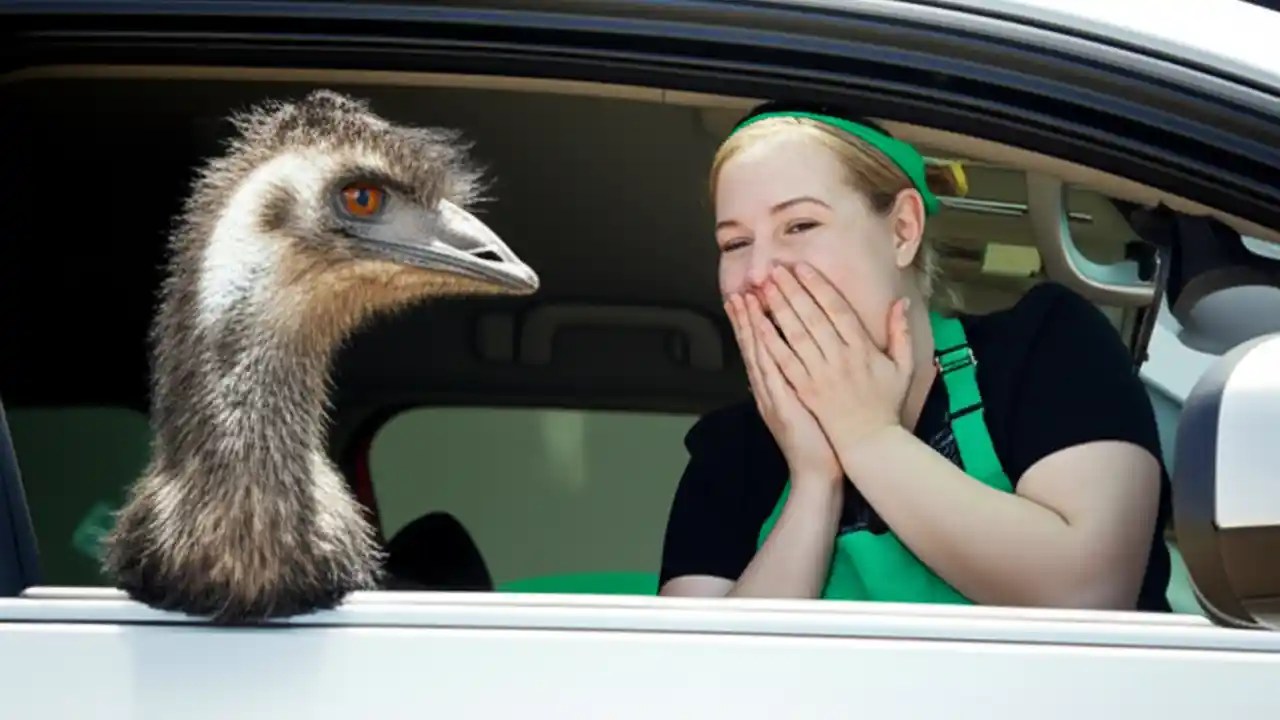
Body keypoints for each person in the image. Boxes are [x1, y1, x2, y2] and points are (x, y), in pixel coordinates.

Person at [658, 101, 1172, 611]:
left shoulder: (1047, 347)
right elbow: (702, 661)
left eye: (800, 226)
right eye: (735, 243)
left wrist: (866, 436)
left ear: (902, 229)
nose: (757, 272)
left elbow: (1087, 594)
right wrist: (815, 484)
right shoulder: (730, 450)